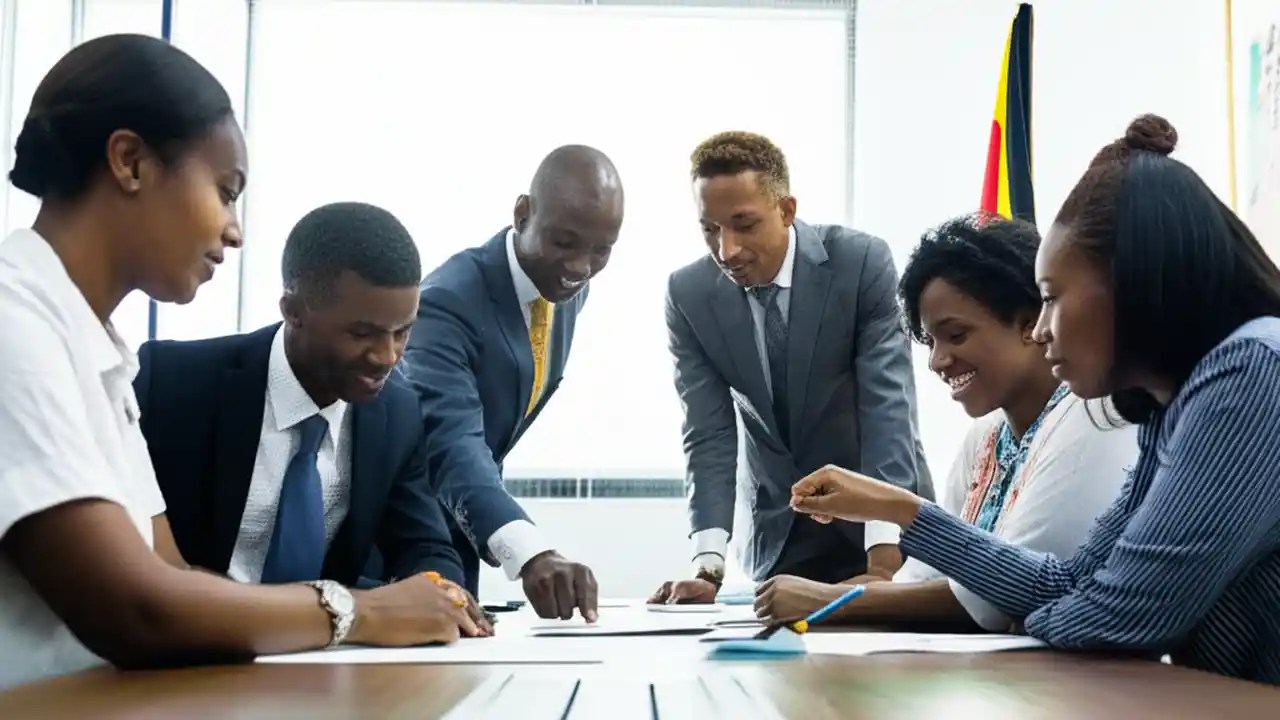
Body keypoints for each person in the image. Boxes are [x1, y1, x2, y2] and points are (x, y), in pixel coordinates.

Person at [0, 35, 474, 691]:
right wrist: (359, 611)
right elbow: (137, 610)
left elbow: (168, 575)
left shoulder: (94, 351)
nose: (235, 230)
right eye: (225, 191)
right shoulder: (14, 323)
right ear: (130, 162)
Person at [788, 115, 1280, 685]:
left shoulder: (1250, 370)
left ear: (1129, 282)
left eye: (1050, 299)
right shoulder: (1167, 408)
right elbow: (1064, 584)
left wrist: (1040, 618)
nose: (1042, 329)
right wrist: (908, 511)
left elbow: (1125, 617)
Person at [755, 214, 1137, 628]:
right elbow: (922, 580)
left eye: (956, 336)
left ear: (1031, 324)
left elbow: (1011, 594)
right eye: (930, 342)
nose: (937, 361)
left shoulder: (1094, 416)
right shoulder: (986, 436)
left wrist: (829, 600)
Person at [133, 201, 489, 634]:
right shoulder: (171, 385)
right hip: (188, 642)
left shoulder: (397, 413)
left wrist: (442, 591)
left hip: (322, 654)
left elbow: (424, 544)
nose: (388, 356)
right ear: (293, 311)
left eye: (402, 332)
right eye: (362, 333)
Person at [649, 131, 932, 605]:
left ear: (786, 210)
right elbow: (708, 432)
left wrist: (884, 559)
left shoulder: (861, 263)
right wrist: (708, 566)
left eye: (744, 224)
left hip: (878, 527)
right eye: (710, 229)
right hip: (778, 539)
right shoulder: (689, 294)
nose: (727, 250)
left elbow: (888, 408)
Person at [400, 145, 624, 620]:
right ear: (522, 214)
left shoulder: (562, 287)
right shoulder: (446, 302)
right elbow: (449, 441)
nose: (581, 266)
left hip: (464, 534)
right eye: (564, 242)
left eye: (601, 249)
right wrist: (529, 552)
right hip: (399, 545)